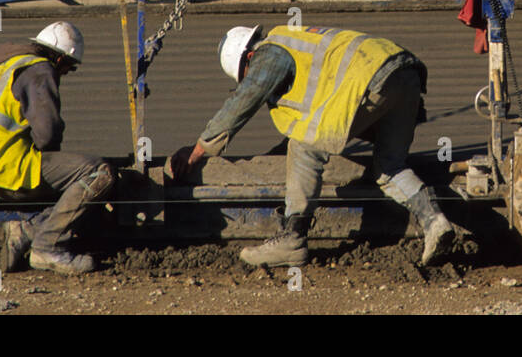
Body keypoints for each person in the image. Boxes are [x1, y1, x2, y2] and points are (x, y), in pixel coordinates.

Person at [166, 24, 456, 267]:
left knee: (305, 144)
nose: (248, 79)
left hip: (371, 79)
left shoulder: (270, 52)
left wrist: (198, 150)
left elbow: (244, 101)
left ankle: (292, 239)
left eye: (244, 75)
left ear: (249, 57)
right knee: (389, 167)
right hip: (404, 72)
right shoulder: (301, 43)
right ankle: (435, 222)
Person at [0, 21, 115, 276]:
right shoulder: (39, 70)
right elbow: (47, 134)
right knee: (97, 173)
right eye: (69, 68)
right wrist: (54, 161)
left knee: (68, 178)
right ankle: (48, 246)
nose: (66, 74)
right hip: (4, 170)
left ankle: (26, 230)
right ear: (59, 59)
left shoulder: (0, 68)